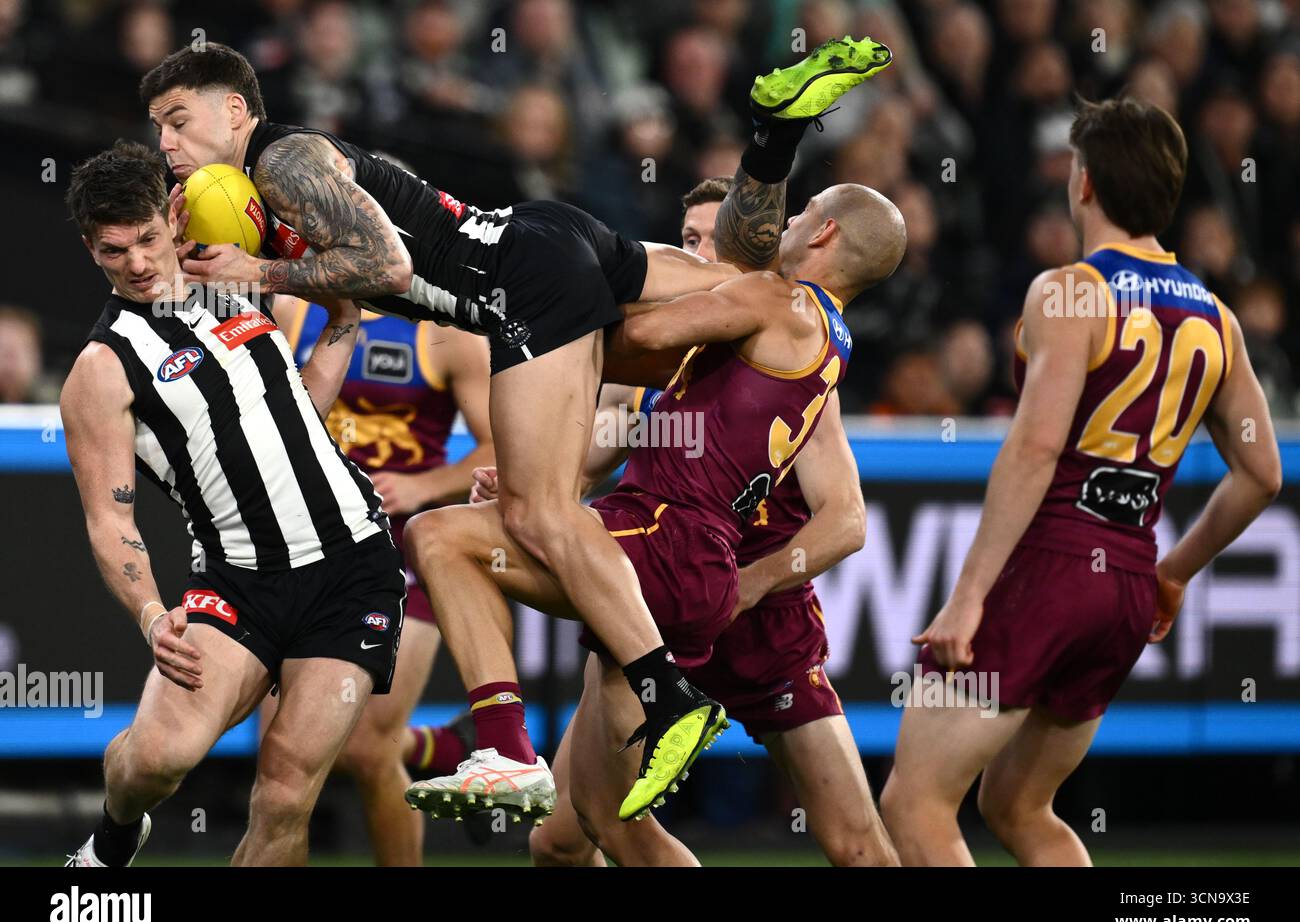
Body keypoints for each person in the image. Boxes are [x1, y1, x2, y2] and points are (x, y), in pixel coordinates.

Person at [140, 37, 892, 816]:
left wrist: (256, 269)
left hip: (519, 287)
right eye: (157, 126)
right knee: (741, 277)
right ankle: (772, 137)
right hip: (548, 239)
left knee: (535, 512)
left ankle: (660, 699)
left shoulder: (284, 162)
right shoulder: (268, 183)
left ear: (235, 111)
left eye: (177, 119)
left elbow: (388, 268)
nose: (165, 141)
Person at [404, 149, 907, 862]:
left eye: (705, 245)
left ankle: (503, 743)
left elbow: (632, 337)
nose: (690, 263)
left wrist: (521, 294)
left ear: (814, 236)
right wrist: (531, 477)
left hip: (704, 568)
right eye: (687, 245)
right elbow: (595, 443)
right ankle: (513, 746)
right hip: (673, 560)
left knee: (443, 540)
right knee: (582, 832)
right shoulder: (787, 347)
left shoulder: (773, 305)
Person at [880, 97, 1283, 866]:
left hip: (1050, 566)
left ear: (1086, 184)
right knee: (1020, 806)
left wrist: (968, 596)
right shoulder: (1217, 319)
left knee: (914, 803)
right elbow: (1261, 474)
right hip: (1126, 577)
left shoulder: (1070, 291)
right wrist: (1172, 571)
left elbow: (1035, 449)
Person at [61, 141, 404, 867]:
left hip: (354, 568)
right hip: (237, 581)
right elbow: (109, 519)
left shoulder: (236, 278)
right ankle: (118, 829)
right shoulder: (103, 367)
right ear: (91, 249)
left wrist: (340, 320)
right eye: (114, 251)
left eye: (149, 239)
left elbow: (298, 407)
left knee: (285, 794)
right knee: (154, 761)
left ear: (171, 215)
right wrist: (152, 615)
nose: (139, 263)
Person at [254, 294, 493, 865]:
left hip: (403, 554)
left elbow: (499, 449)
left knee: (365, 748)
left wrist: (426, 485)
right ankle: (442, 746)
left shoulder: (446, 334)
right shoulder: (293, 310)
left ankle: (431, 750)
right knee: (280, 756)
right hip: (307, 545)